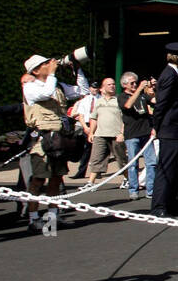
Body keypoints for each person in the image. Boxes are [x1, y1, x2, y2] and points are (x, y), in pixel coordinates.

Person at [23, 54, 91, 230]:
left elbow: (83, 91)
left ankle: (52, 218)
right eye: (46, 63)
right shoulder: (30, 87)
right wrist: (52, 74)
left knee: (56, 178)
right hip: (42, 140)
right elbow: (45, 93)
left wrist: (77, 68)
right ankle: (33, 219)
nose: (51, 64)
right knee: (38, 180)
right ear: (36, 70)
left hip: (59, 139)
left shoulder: (57, 85)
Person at [150, 41, 178, 218]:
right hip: (169, 128)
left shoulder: (174, 74)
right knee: (165, 167)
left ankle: (170, 203)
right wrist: (156, 127)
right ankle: (159, 205)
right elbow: (161, 104)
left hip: (174, 128)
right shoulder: (169, 75)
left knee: (173, 167)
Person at [120, 72, 155, 200]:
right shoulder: (122, 97)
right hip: (132, 134)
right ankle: (133, 189)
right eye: (132, 83)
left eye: (136, 82)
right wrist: (139, 88)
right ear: (125, 85)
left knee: (151, 162)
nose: (135, 84)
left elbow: (155, 101)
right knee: (133, 164)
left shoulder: (142, 96)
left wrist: (155, 87)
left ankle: (150, 190)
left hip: (146, 133)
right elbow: (128, 105)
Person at [85, 77, 127, 186]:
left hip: (116, 135)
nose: (112, 86)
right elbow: (94, 118)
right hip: (100, 134)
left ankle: (128, 179)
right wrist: (91, 132)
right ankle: (90, 182)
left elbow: (125, 119)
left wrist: (122, 133)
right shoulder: (98, 101)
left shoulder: (119, 100)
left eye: (113, 84)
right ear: (103, 88)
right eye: (109, 84)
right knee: (96, 158)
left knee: (121, 159)